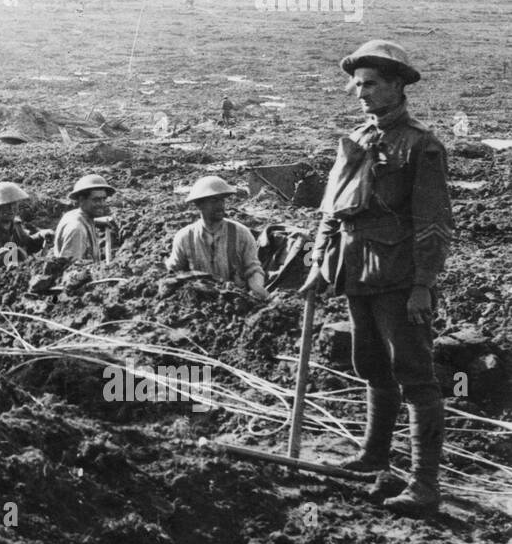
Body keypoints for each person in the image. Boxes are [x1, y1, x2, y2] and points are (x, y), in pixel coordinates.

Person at [300, 40, 453, 518]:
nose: (359, 92)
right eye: (356, 84)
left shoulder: (421, 146)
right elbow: (332, 210)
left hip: (399, 278)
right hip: (356, 273)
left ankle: (424, 484)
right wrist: (318, 266)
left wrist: (423, 285)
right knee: (371, 365)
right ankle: (373, 457)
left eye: (370, 84)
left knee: (416, 377)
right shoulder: (359, 140)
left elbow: (433, 222)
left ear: (397, 86)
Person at [165, 176, 268, 298]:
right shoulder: (185, 237)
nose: (220, 206)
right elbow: (173, 271)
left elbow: (253, 269)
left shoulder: (241, 233)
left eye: (222, 200)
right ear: (199, 205)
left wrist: (257, 288)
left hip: (236, 301)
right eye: (214, 200)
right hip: (200, 303)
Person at [54, 174, 116, 264]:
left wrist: (97, 223)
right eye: (96, 200)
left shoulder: (78, 215)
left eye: (104, 199)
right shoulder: (77, 229)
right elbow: (71, 268)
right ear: (82, 200)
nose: (102, 204)